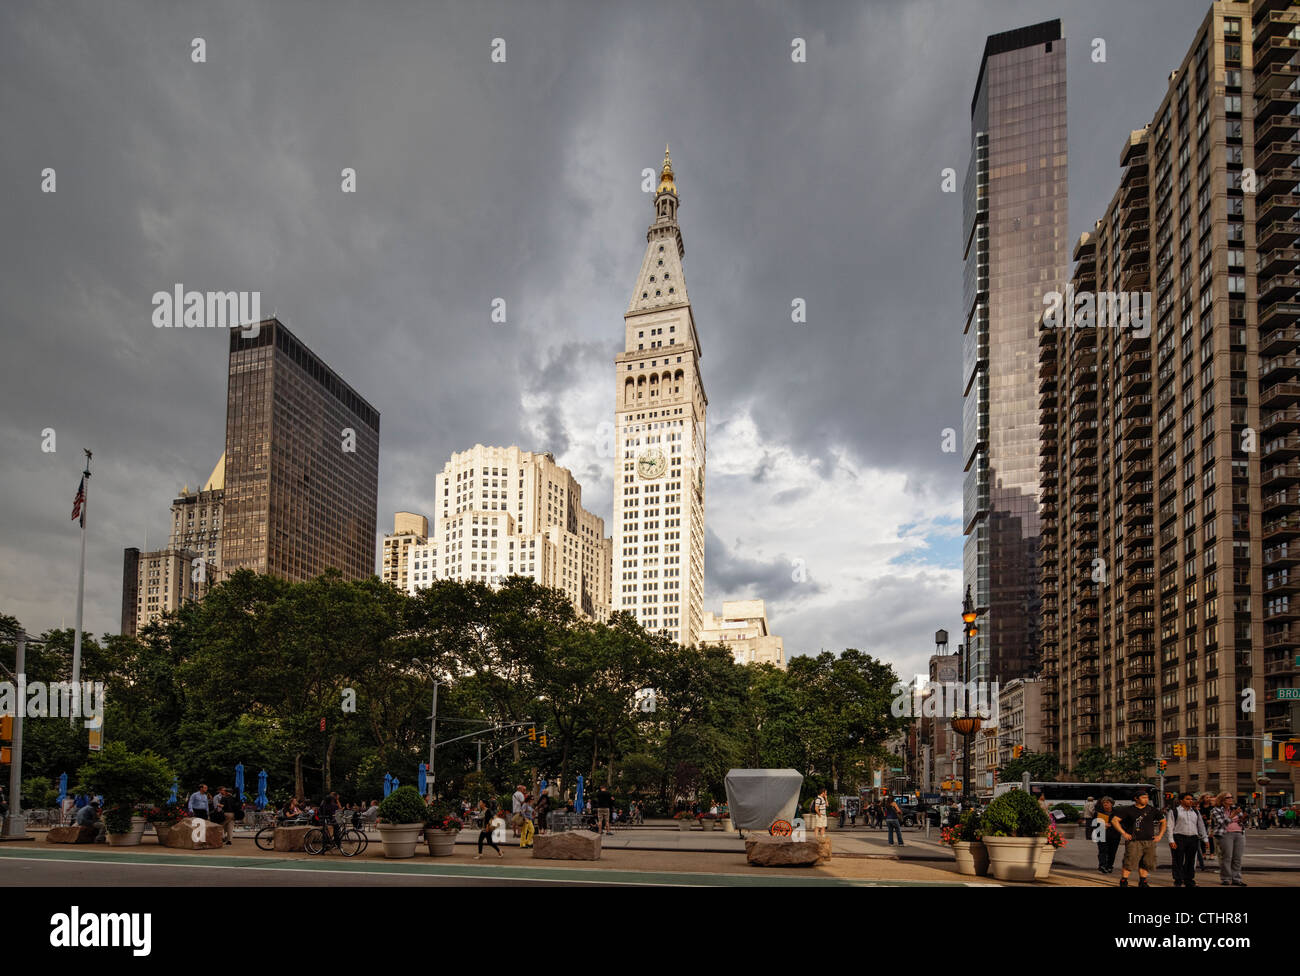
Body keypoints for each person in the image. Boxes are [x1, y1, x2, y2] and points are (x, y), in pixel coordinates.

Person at [1113, 789, 1166, 887]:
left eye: (1147, 797)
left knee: (1146, 862)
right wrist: (1124, 833)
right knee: (1129, 861)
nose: (1146, 799)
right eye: (1143, 797)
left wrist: (1160, 835)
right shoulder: (1128, 810)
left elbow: (1163, 821)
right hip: (1134, 841)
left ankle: (1143, 881)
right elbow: (1115, 820)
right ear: (1136, 799)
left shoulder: (1152, 810)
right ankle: (1124, 881)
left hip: (1149, 840)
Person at [1167, 792, 1209, 887]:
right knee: (1178, 860)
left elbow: (1201, 826)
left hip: (1193, 838)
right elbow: (1170, 827)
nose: (1190, 801)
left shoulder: (1195, 811)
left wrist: (1205, 839)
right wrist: (1171, 840)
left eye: (1191, 799)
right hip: (1179, 837)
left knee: (1190, 860)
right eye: (1187, 799)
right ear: (1181, 801)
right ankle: (1178, 880)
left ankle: (1189, 880)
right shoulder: (1174, 811)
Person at [1209, 793, 1247, 886]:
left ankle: (1236, 879)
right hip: (1225, 834)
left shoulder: (1235, 808)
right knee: (1227, 857)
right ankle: (1226, 878)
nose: (1231, 799)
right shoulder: (1216, 810)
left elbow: (1241, 820)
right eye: (1228, 797)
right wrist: (1232, 816)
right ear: (1222, 799)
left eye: (1231, 797)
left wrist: (1243, 818)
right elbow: (1221, 822)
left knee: (1237, 858)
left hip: (1239, 833)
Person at [1094, 796, 1121, 874]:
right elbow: (1093, 824)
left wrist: (1112, 825)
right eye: (1104, 803)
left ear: (1112, 804)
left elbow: (1122, 824)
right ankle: (1102, 866)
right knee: (1102, 851)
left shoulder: (1117, 813)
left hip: (1114, 835)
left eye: (1107, 802)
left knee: (1112, 852)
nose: (1105, 804)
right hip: (1101, 834)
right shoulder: (1098, 812)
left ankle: (1109, 866)